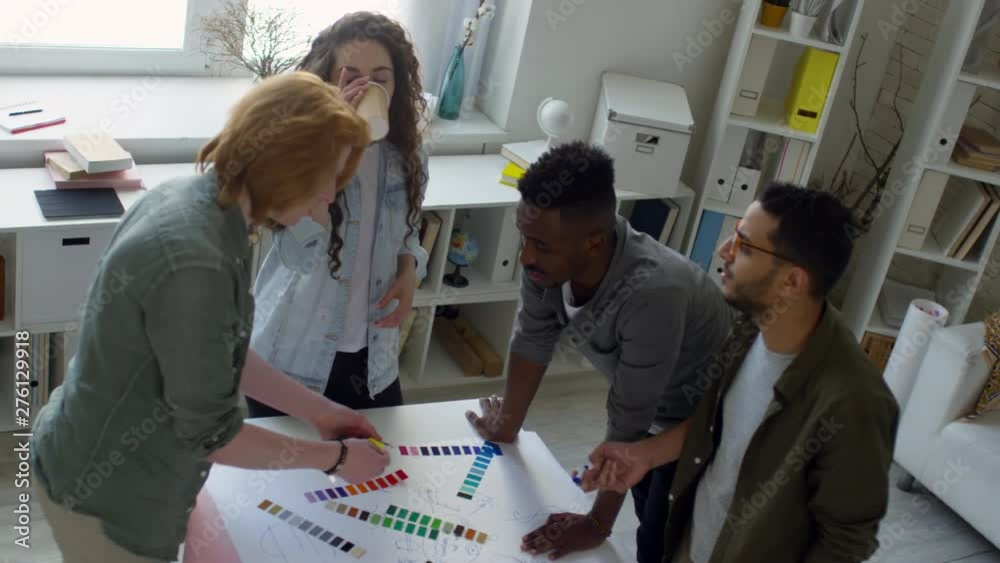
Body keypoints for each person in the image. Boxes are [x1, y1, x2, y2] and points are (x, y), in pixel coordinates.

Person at [30, 72, 392, 563]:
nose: (330, 195)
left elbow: (226, 353)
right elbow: (214, 437)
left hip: (92, 452)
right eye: (327, 176)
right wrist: (339, 460)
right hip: (107, 499)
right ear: (286, 167)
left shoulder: (207, 205)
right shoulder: (195, 259)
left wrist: (321, 413)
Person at [583, 183, 900, 563]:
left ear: (792, 282)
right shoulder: (748, 328)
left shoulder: (855, 402)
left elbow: (846, 542)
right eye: (734, 236)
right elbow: (717, 423)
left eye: (745, 247)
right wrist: (645, 455)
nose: (723, 251)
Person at [466, 142, 734, 562]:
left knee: (665, 539)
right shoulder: (550, 257)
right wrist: (506, 426)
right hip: (651, 421)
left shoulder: (656, 291)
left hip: (702, 427)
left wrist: (597, 523)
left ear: (593, 242)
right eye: (525, 237)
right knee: (649, 510)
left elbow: (631, 412)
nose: (527, 255)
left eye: (541, 245)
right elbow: (534, 336)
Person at [249, 12, 429, 413]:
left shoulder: (408, 156)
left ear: (397, 85)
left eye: (381, 78)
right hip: (290, 356)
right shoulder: (299, 154)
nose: (368, 88)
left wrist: (408, 270)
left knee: (381, 467)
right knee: (292, 473)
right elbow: (298, 256)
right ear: (327, 83)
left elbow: (409, 232)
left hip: (372, 360)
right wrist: (335, 148)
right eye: (351, 77)